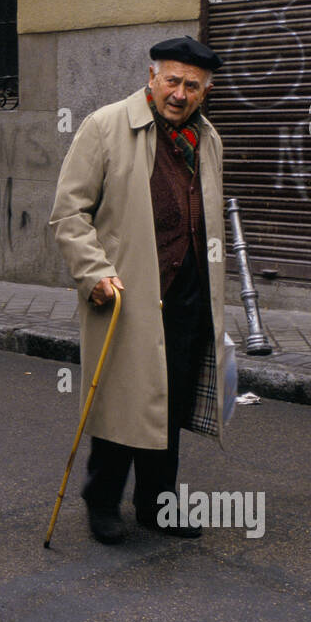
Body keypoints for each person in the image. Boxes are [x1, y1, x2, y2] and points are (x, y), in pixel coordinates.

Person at [49, 36, 226, 544]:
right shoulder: (105, 127)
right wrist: (93, 272)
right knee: (120, 400)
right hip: (127, 292)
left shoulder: (207, 140)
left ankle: (156, 505)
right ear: (152, 77)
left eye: (192, 85)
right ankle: (101, 501)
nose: (180, 93)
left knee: (168, 406)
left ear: (204, 91)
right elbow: (68, 213)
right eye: (172, 80)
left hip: (189, 294)